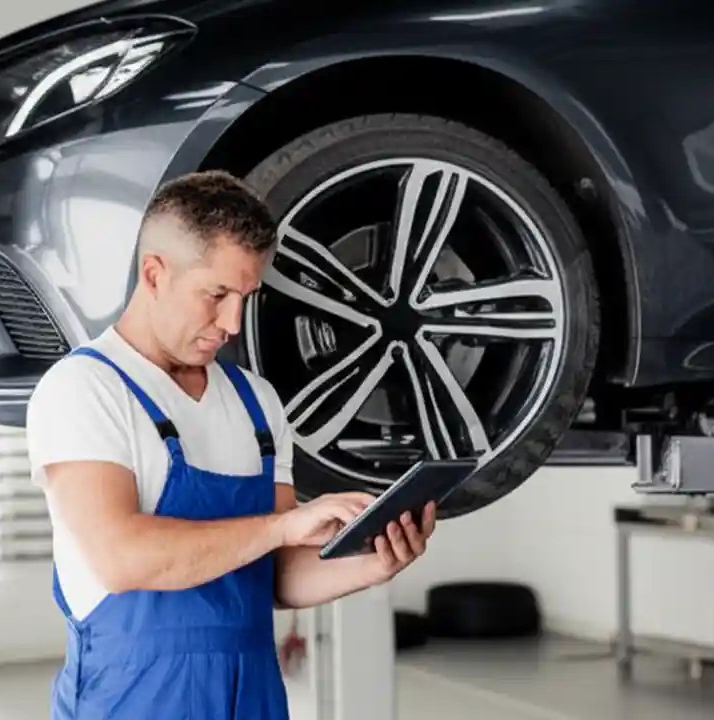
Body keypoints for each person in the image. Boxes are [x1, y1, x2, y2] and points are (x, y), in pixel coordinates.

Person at [26, 170, 438, 720]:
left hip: (254, 696)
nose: (233, 323)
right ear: (154, 274)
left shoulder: (257, 404)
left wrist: (371, 565)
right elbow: (120, 558)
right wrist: (282, 526)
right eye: (216, 294)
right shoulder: (84, 388)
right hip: (132, 698)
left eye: (244, 296)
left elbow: (277, 576)